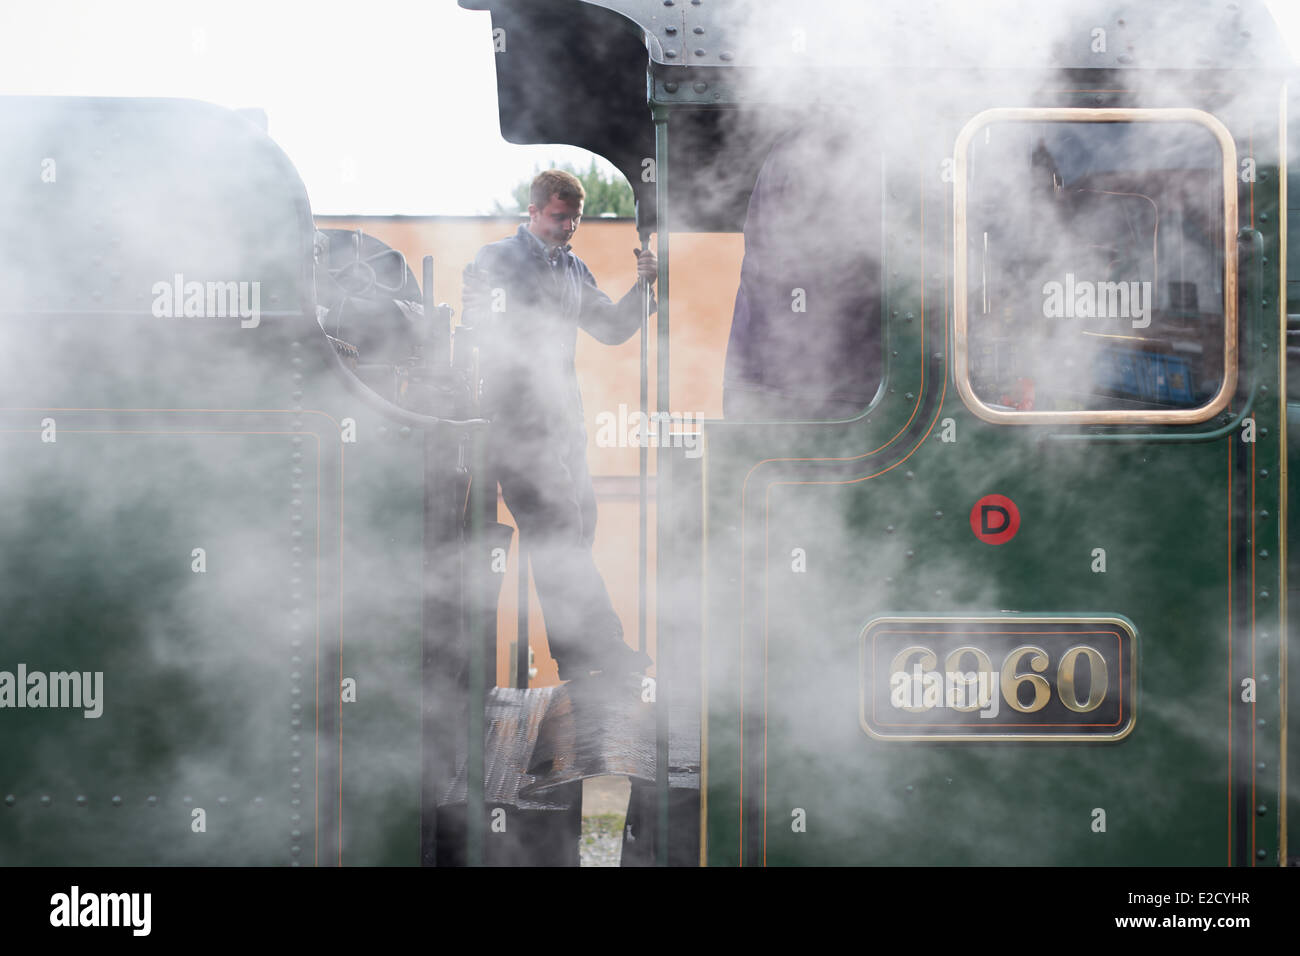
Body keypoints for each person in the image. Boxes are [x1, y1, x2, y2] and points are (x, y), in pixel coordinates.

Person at [462, 169, 656, 681]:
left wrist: (643, 288)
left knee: (575, 529)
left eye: (574, 220)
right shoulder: (495, 260)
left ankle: (576, 656)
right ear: (532, 212)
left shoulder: (574, 268)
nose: (568, 228)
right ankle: (603, 653)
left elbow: (612, 329)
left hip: (564, 421)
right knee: (561, 530)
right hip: (516, 420)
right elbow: (478, 327)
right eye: (558, 217)